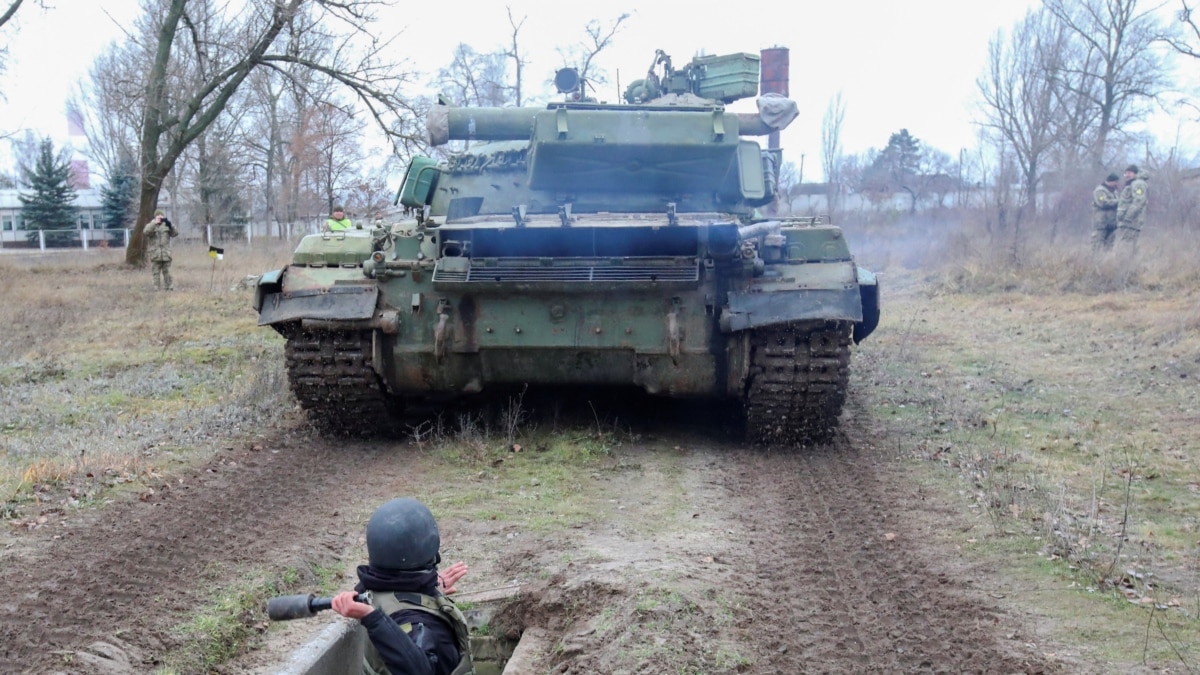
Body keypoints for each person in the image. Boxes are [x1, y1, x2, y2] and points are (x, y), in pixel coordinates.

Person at [330, 498, 475, 675]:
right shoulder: (420, 625)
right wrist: (374, 619)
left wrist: (428, 594)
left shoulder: (372, 591)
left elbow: (396, 596)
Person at [1115, 164, 1149, 249]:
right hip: (1127, 222)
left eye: (1129, 173)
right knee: (1126, 245)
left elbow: (1139, 201)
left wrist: (1128, 216)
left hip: (1131, 222)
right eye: (1126, 173)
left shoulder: (1137, 184)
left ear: (1135, 173)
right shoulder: (1132, 183)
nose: (1127, 175)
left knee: (1126, 246)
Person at [144, 209, 178, 291]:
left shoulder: (166, 225)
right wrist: (154, 223)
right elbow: (146, 232)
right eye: (158, 216)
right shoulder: (151, 225)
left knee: (168, 272)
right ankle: (156, 288)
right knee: (156, 273)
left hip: (166, 253)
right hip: (155, 254)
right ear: (155, 217)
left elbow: (175, 233)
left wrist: (170, 225)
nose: (160, 217)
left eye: (161, 216)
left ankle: (169, 287)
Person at [1091, 173, 1120, 252]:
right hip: (1101, 221)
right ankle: (1095, 257)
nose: (1116, 184)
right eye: (1115, 182)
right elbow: (1102, 203)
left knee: (1109, 244)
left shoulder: (1114, 192)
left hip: (1111, 222)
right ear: (1110, 181)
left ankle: (1107, 258)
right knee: (1097, 242)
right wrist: (1118, 202)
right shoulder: (1100, 191)